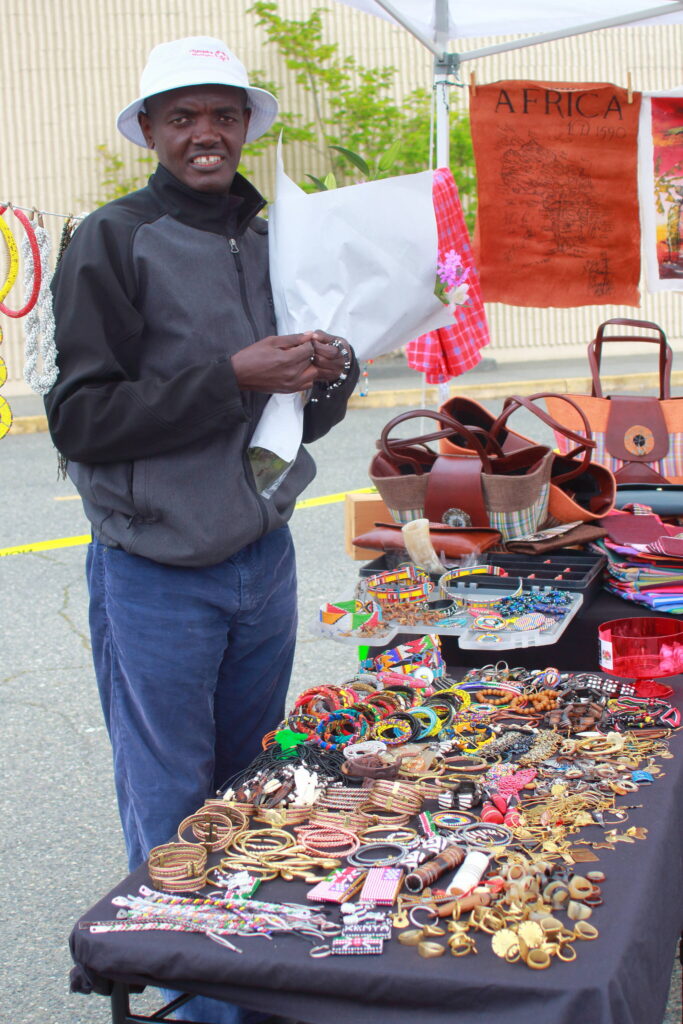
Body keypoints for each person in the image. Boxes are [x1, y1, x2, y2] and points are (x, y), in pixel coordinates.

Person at [45, 36, 358, 1024]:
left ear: (246, 129)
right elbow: (82, 419)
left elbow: (291, 417)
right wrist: (232, 377)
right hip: (156, 569)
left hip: (258, 556)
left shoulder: (275, 241)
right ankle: (195, 995)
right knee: (173, 799)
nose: (205, 133)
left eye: (222, 114)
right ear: (148, 131)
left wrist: (327, 377)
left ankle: (249, 978)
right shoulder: (112, 239)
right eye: (181, 116)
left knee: (255, 784)